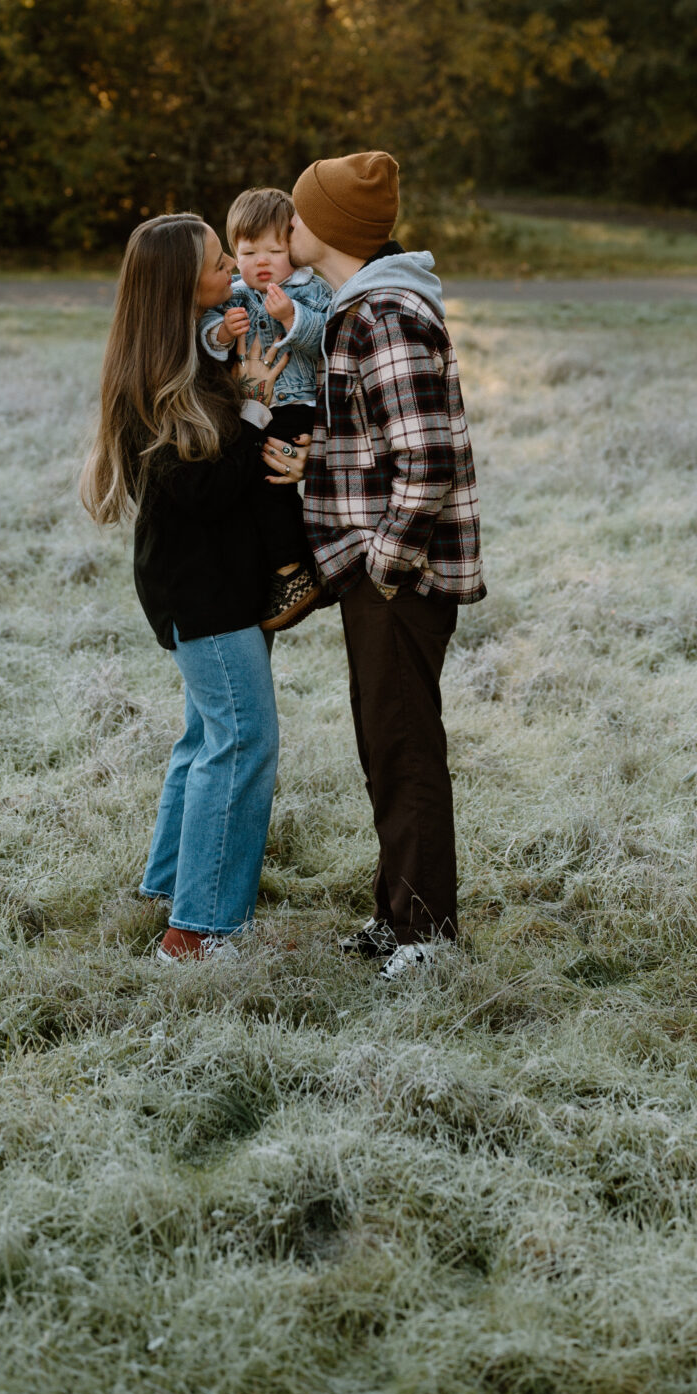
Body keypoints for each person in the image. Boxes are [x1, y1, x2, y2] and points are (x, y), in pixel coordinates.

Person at [79, 214, 309, 962]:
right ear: (183, 284)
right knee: (242, 741)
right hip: (200, 590)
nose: (233, 275)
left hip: (209, 581)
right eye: (218, 264)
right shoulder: (161, 377)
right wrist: (250, 406)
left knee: (206, 735)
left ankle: (169, 884)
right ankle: (199, 930)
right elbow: (205, 492)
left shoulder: (190, 349)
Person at [288, 151, 486, 980]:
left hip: (395, 579)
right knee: (384, 742)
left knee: (403, 749)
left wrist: (382, 564)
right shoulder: (355, 307)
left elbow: (426, 460)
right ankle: (396, 912)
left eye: (299, 213)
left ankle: (426, 938)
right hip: (376, 574)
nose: (288, 226)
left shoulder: (384, 317)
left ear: (329, 228)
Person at [200, 186, 331, 632]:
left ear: (292, 248)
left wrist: (293, 315)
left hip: (295, 405)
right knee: (256, 485)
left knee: (272, 482)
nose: (261, 261)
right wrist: (219, 334)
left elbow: (326, 337)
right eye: (248, 250)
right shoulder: (233, 293)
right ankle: (292, 566)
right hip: (251, 406)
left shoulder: (309, 289)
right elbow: (205, 328)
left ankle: (293, 568)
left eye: (274, 250)